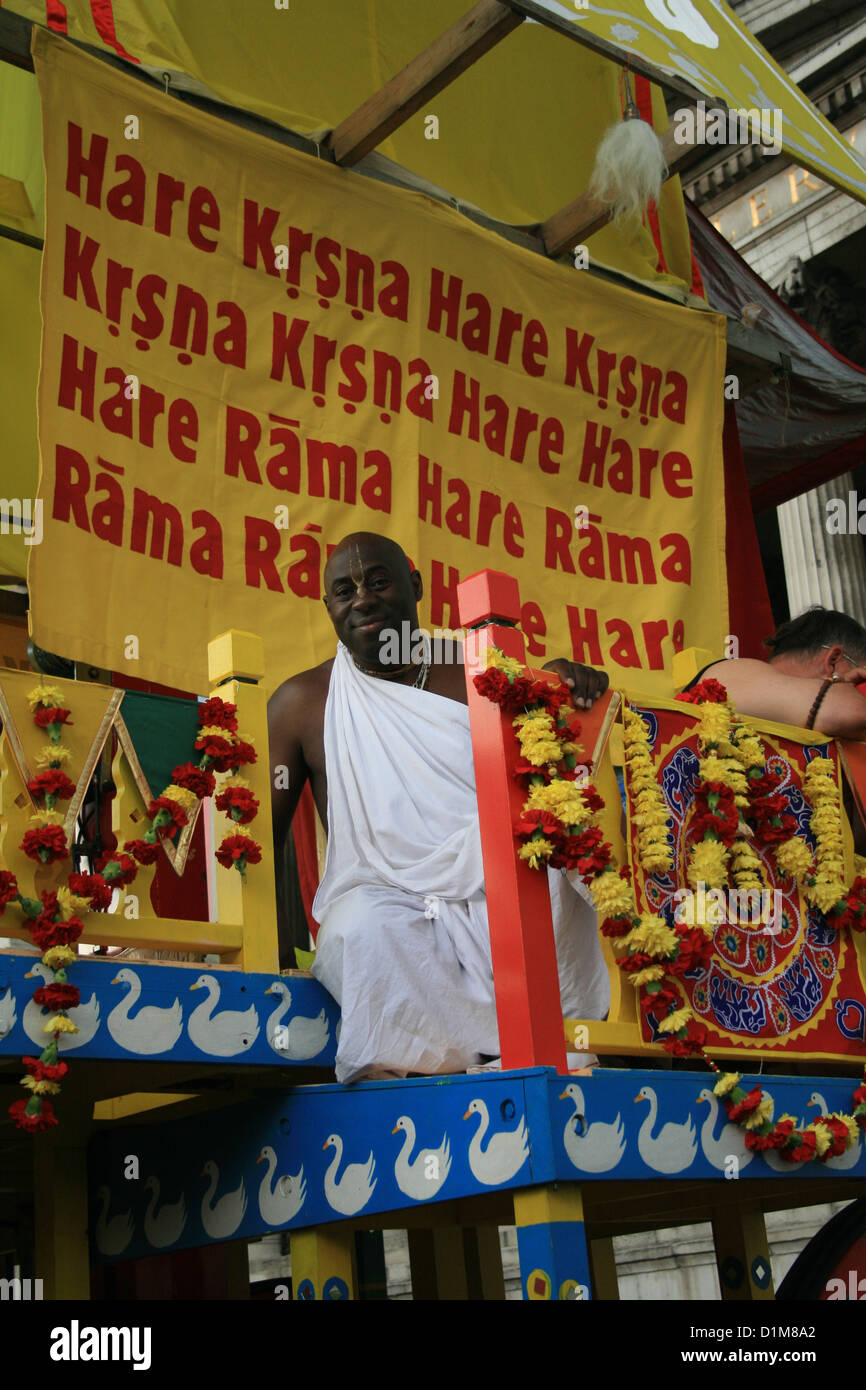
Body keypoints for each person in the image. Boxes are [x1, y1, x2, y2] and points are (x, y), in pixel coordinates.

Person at [268, 531, 610, 1083]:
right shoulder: (302, 703)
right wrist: (276, 959)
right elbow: (265, 839)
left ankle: (549, 1043)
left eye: (379, 581)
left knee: (559, 877)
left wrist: (557, 678)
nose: (362, 599)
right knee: (356, 928)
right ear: (328, 608)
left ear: (416, 586)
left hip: (500, 883)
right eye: (344, 591)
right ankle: (420, 1066)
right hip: (393, 903)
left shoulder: (477, 668)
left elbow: (538, 741)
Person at [684, 607, 866, 738]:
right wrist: (845, 686)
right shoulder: (736, 671)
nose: (856, 686)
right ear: (833, 661)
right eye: (860, 679)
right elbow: (852, 711)